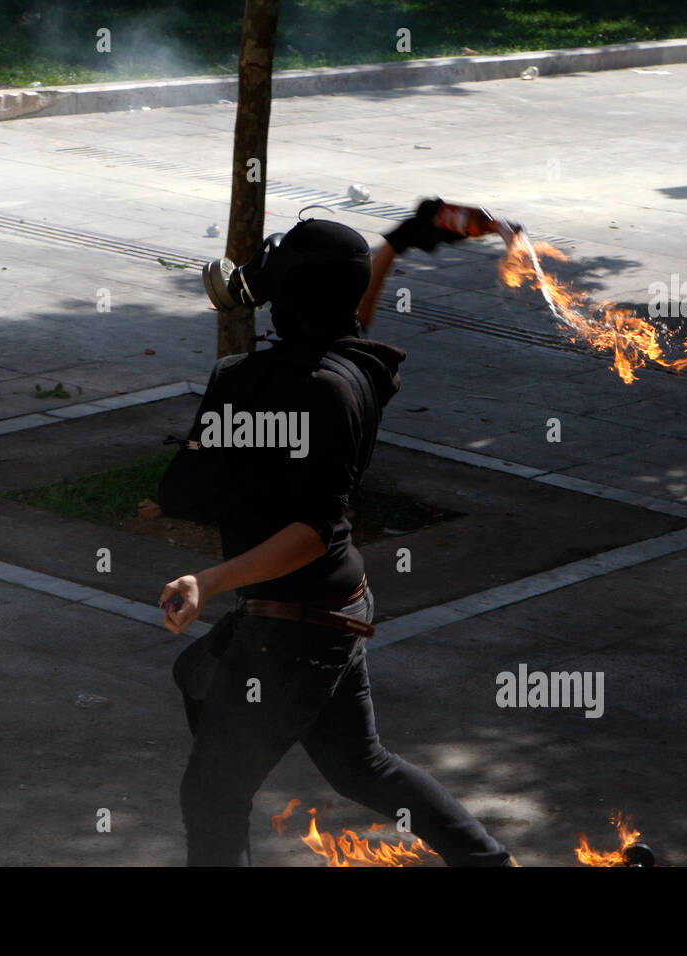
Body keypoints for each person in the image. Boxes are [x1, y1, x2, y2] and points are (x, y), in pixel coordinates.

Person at [158, 200, 519, 867]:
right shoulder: (356, 369)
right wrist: (402, 239)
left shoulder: (304, 389)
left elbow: (309, 533)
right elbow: (352, 303)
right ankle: (489, 863)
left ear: (291, 292)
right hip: (333, 608)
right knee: (358, 765)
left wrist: (207, 580)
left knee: (212, 791)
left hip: (295, 625)